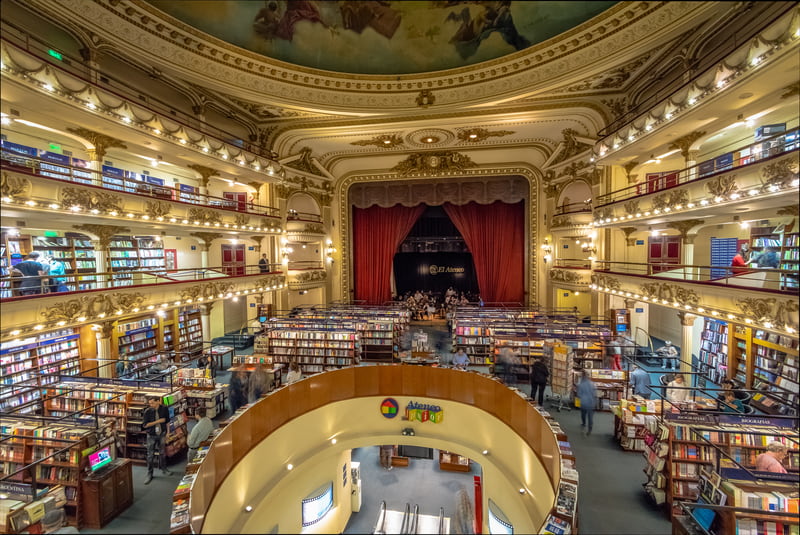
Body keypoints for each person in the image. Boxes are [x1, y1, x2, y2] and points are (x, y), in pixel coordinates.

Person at [142, 396, 171, 484]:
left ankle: (164, 468)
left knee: (162, 452)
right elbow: (145, 425)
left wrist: (168, 433)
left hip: (162, 433)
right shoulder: (147, 411)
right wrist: (158, 421)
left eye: (153, 403)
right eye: (150, 403)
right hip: (151, 435)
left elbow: (167, 421)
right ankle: (150, 473)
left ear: (158, 401)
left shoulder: (164, 409)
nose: (151, 405)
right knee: (150, 455)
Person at [576, 371, 597, 436]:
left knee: (583, 414)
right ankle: (590, 429)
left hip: (583, 402)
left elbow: (579, 395)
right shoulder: (592, 384)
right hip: (591, 402)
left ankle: (584, 423)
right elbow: (595, 394)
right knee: (590, 417)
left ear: (582, 377)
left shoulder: (580, 385)